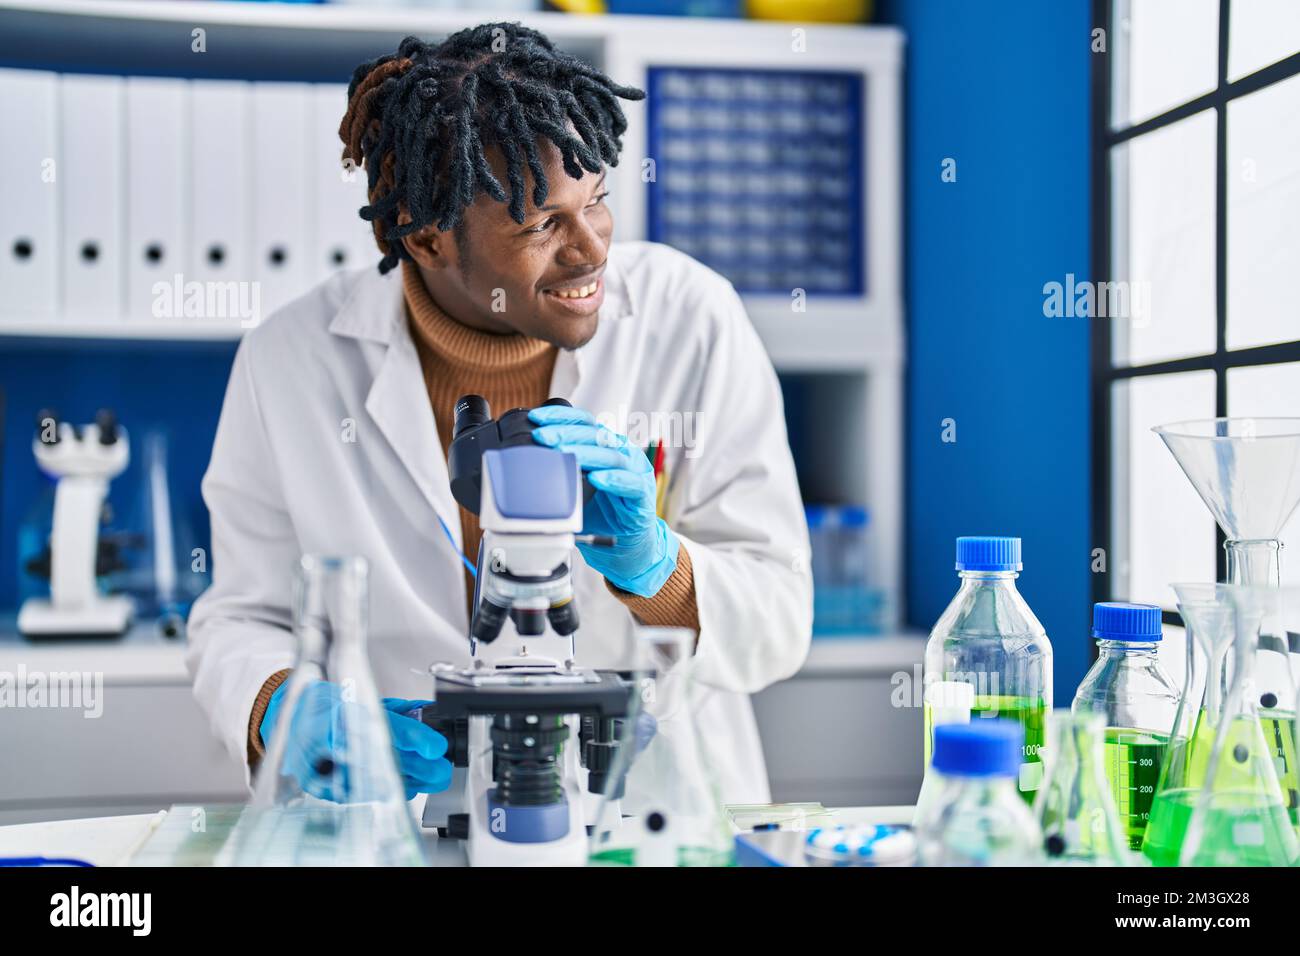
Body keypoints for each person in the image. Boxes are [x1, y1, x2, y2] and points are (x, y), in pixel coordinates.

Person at [187, 22, 811, 805]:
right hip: (406, 822)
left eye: (597, 202)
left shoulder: (692, 319)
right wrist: (281, 704)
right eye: (543, 224)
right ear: (425, 238)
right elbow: (241, 616)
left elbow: (781, 617)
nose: (591, 251)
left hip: (651, 819)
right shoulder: (291, 359)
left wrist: (661, 570)